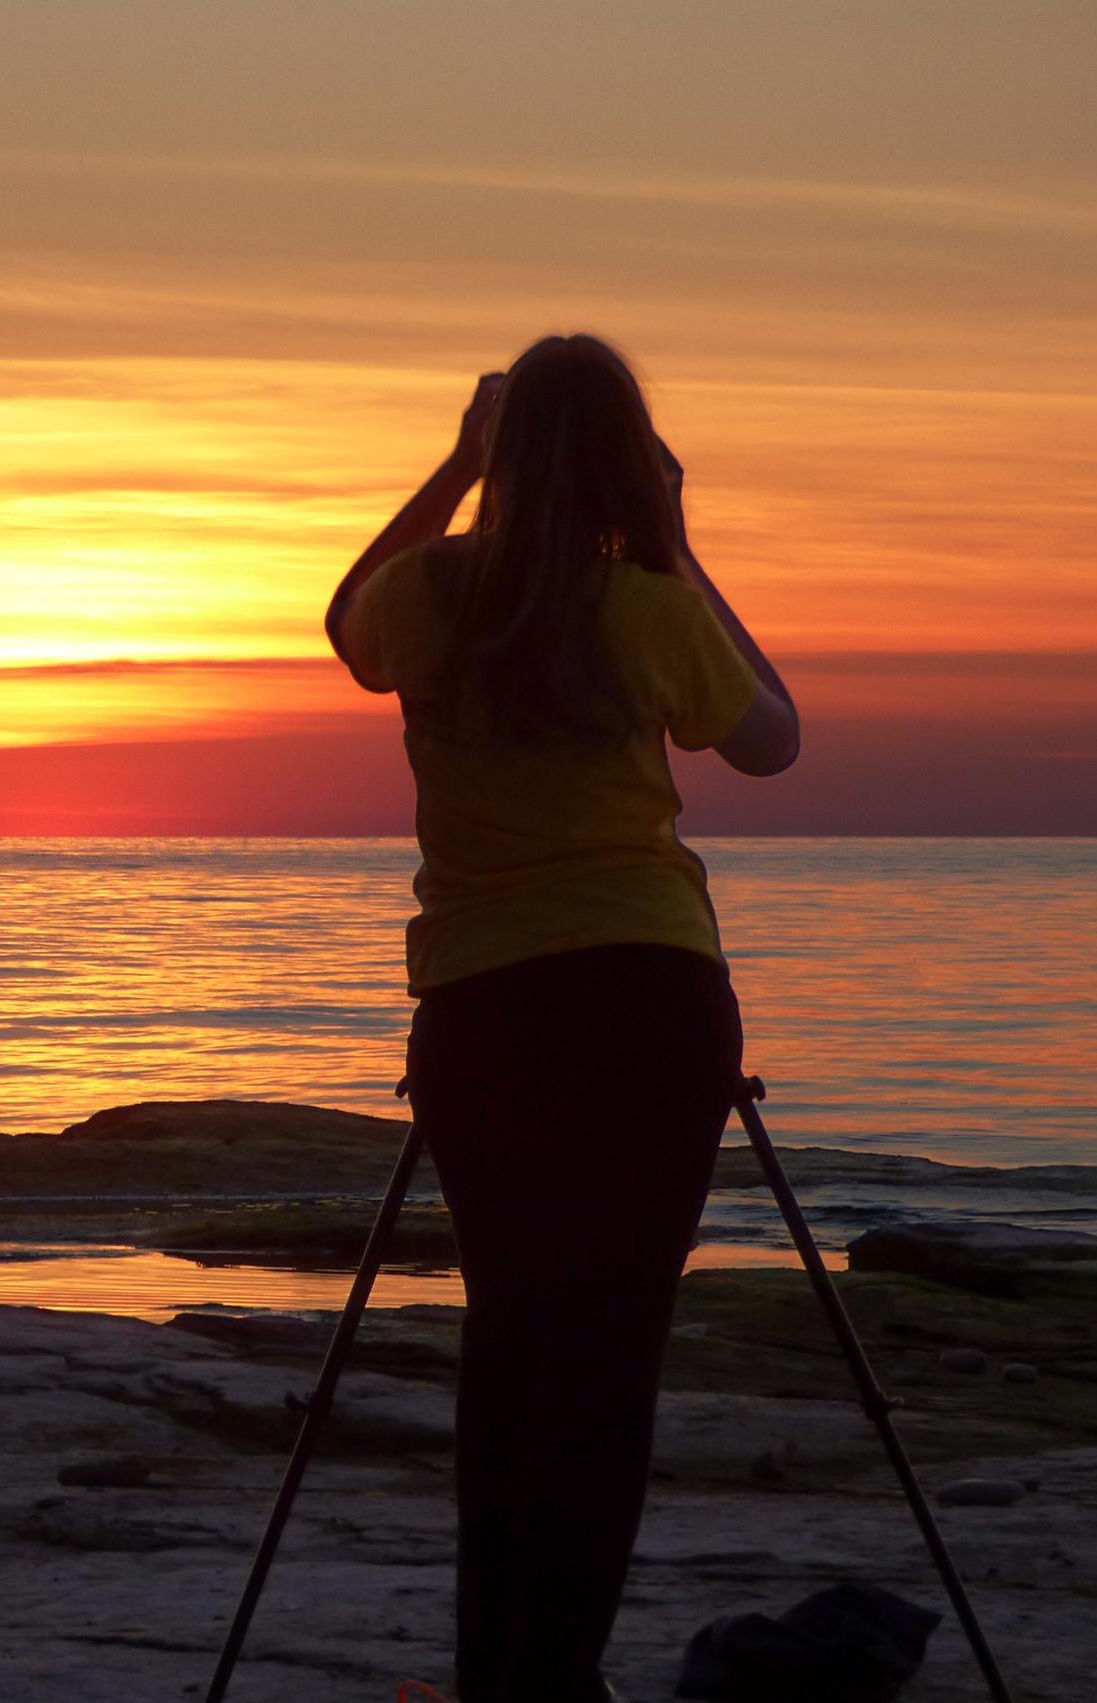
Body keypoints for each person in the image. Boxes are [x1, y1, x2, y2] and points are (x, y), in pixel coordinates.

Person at [326, 336, 801, 1703]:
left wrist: (450, 469)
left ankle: (498, 1673)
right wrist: (676, 534)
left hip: (485, 1007)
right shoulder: (647, 602)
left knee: (512, 1331)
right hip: (650, 998)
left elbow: (340, 615)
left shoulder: (430, 597)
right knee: (612, 1353)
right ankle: (558, 1674)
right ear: (620, 464)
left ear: (503, 455)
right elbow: (773, 736)